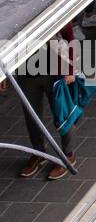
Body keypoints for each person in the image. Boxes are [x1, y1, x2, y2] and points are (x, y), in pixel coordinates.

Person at [1, 24, 78, 180]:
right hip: (25, 71)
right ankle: (39, 152)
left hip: (54, 70)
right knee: (31, 116)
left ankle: (68, 154)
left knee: (62, 114)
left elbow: (68, 35)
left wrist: (70, 69)